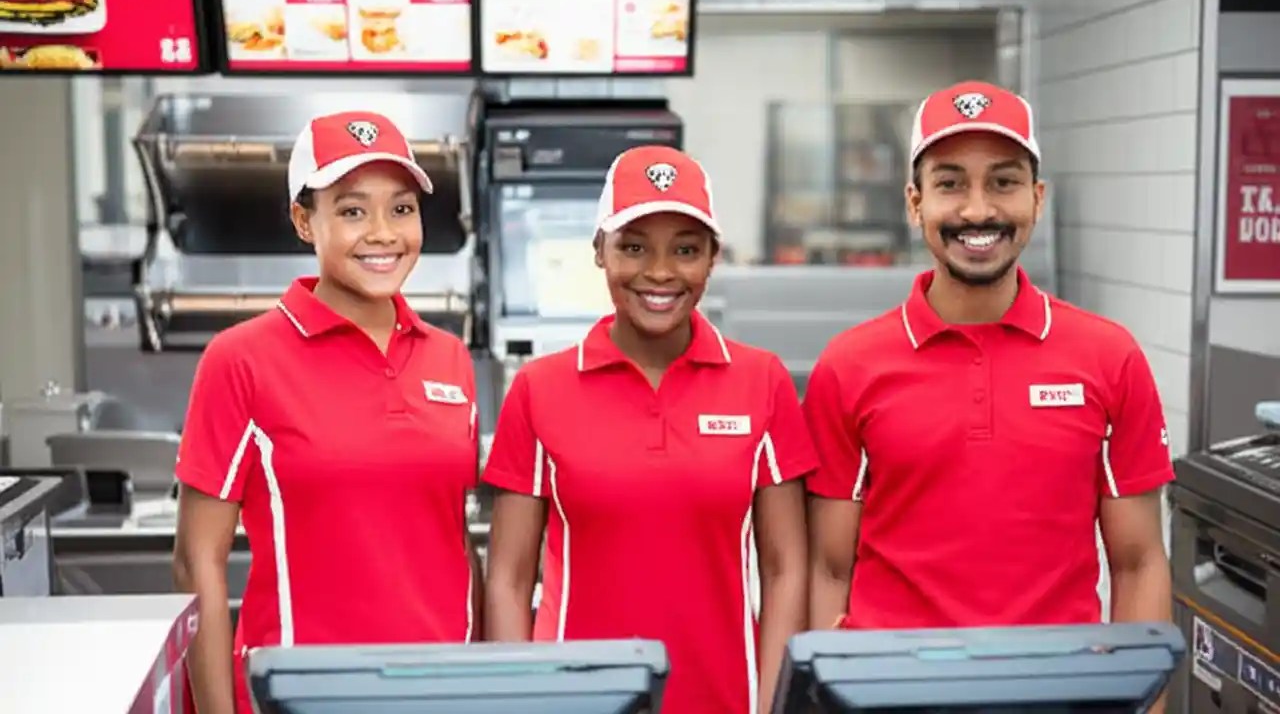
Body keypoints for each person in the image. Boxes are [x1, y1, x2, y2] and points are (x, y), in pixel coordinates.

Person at [805, 82, 1174, 636]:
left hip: (1057, 690)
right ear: (915, 202)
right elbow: (828, 570)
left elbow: (1139, 561)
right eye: (950, 184)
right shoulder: (849, 366)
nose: (978, 210)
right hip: (889, 690)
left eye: (1004, 182)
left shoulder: (1109, 358)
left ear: (1037, 198)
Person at [482, 145, 814, 714]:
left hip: (723, 699)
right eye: (633, 247)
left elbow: (785, 569)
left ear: (712, 258)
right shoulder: (540, 389)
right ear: (599, 252)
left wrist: (771, 705)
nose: (660, 272)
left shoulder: (763, 381)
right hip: (573, 702)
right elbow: (509, 579)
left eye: (685, 250)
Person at [172, 110, 482, 714]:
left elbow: (452, 537)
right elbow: (195, 560)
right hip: (301, 695)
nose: (383, 232)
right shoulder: (241, 359)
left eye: (401, 208)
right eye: (351, 210)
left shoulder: (450, 360)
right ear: (303, 221)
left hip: (444, 691)